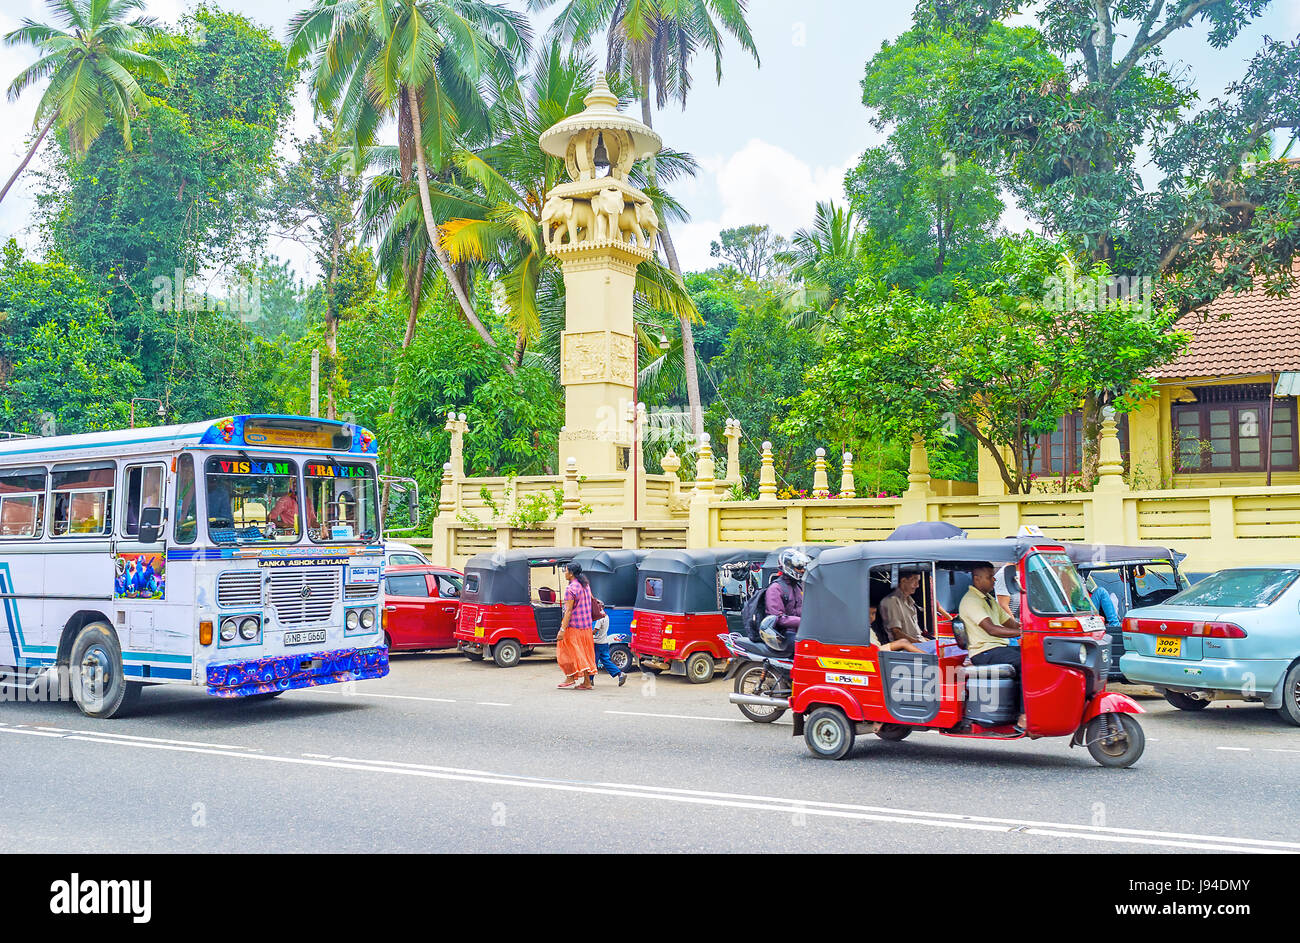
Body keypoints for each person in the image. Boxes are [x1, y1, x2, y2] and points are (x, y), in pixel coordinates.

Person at [959, 561, 1027, 732]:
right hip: (984, 652)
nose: (994, 581)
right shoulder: (971, 601)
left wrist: (1029, 628)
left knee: (1035, 655)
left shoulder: (989, 599)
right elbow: (991, 629)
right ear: (977, 578)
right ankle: (1023, 717)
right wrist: (1021, 633)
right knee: (1025, 663)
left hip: (998, 649)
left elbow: (1009, 622)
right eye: (990, 577)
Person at [758, 548, 810, 654]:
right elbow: (778, 618)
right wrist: (803, 621)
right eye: (799, 567)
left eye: (803, 567)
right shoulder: (775, 588)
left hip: (801, 630)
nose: (802, 570)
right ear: (789, 567)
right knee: (808, 648)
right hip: (785, 634)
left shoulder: (798, 586)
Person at [556, 562, 598, 690]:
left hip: (573, 626)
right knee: (583, 652)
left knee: (564, 651)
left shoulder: (570, 589)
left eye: (566, 570)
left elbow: (568, 611)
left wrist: (562, 629)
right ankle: (586, 682)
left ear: (571, 573)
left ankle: (570, 677)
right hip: (586, 625)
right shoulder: (585, 585)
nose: (565, 573)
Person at [880, 568, 937, 654]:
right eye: (915, 581)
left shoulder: (911, 602)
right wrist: (920, 643)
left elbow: (917, 634)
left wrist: (929, 642)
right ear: (903, 581)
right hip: (909, 649)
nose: (918, 585)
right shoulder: (892, 601)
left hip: (919, 644)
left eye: (918, 581)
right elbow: (897, 634)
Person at [590, 594, 627, 687]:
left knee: (592, 662)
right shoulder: (606, 616)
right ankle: (620, 674)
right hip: (604, 642)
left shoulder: (600, 617)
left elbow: (595, 631)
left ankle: (589, 680)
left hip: (597, 643)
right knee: (606, 661)